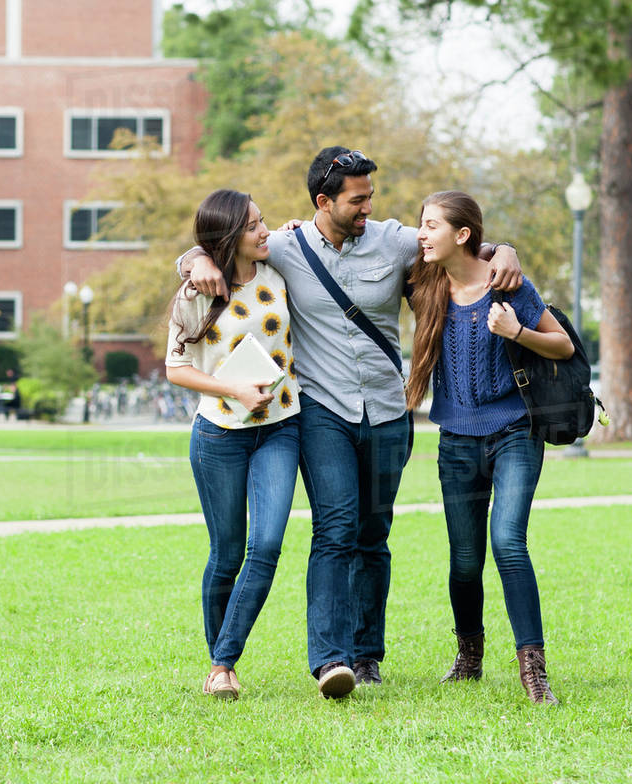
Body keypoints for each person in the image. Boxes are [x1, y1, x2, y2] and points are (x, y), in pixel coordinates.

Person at [181, 146, 522, 698]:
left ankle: (368, 656)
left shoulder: (393, 239)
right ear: (324, 201)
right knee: (335, 530)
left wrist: (504, 249)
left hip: (389, 411)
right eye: (357, 199)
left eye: (370, 197)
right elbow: (223, 244)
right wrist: (194, 258)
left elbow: (460, 244)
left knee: (374, 536)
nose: (369, 207)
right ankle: (331, 660)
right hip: (323, 412)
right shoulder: (285, 247)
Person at [405, 191, 570, 705]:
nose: (422, 234)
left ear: (462, 235)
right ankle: (469, 656)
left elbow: (563, 344)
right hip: (455, 441)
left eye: (432, 225)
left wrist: (517, 330)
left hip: (515, 432)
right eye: (421, 224)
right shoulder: (423, 281)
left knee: (508, 542)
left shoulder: (509, 284)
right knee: (464, 559)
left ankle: (533, 669)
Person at [165, 189, 301, 701]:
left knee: (265, 545)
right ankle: (221, 664)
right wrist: (232, 389)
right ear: (227, 237)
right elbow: (175, 369)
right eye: (252, 227)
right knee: (225, 553)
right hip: (218, 434)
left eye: (263, 221)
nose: (263, 231)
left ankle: (223, 663)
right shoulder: (197, 291)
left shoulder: (279, 271)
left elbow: (301, 235)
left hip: (281, 427)